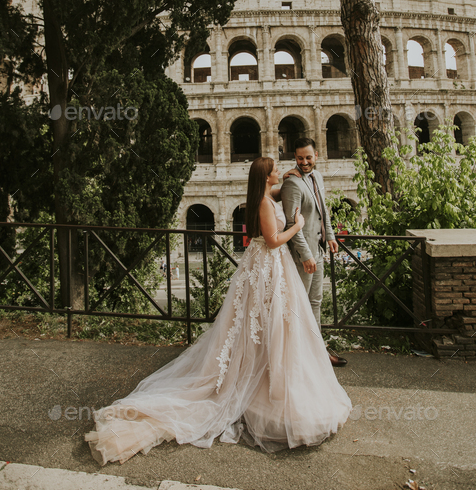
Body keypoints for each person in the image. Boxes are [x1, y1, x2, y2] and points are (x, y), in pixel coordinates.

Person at [85, 157, 351, 465]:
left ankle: (269, 380)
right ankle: (264, 386)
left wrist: (294, 175)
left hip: (271, 270)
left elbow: (279, 194)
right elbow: (273, 240)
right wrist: (298, 226)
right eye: (276, 169)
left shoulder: (266, 196)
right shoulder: (264, 204)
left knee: (267, 326)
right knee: (266, 325)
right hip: (268, 268)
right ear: (266, 177)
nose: (281, 171)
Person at [281, 137, 348, 368]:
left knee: (315, 301)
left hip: (318, 248)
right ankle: (297, 354)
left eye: (308, 157)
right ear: (295, 158)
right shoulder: (292, 183)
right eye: (300, 158)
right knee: (299, 304)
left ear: (316, 155)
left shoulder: (317, 176)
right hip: (304, 253)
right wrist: (305, 254)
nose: (305, 162)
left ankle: (317, 349)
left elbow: (323, 208)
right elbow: (292, 223)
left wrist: (330, 235)